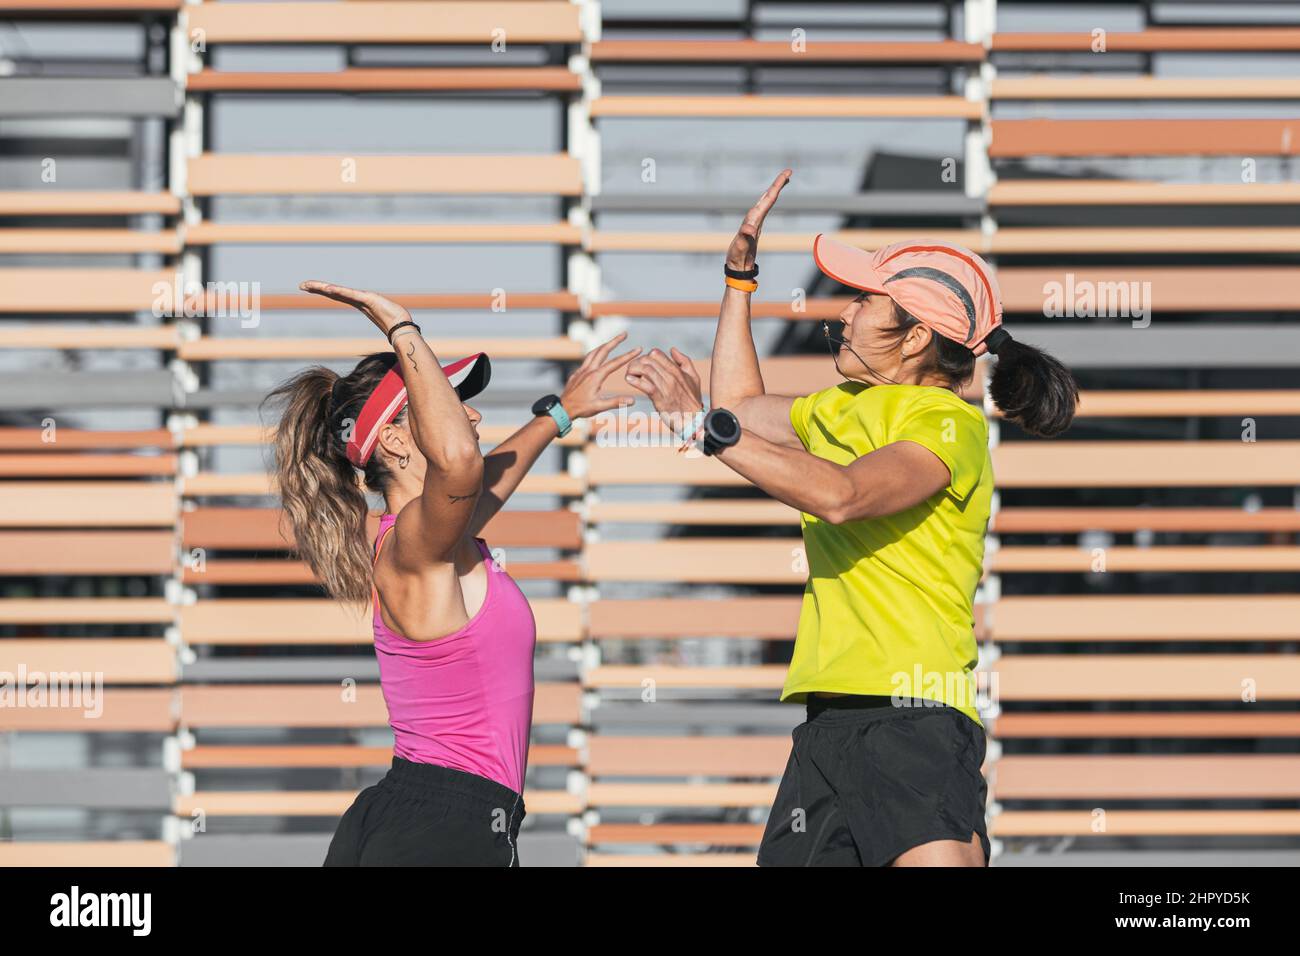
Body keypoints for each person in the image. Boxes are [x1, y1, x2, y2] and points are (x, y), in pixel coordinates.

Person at [624, 170, 1079, 867]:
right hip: (827, 724)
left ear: (918, 335)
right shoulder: (841, 405)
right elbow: (741, 408)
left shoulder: (950, 425)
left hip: (915, 718)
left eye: (866, 300)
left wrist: (707, 430)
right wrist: (739, 281)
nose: (845, 312)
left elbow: (844, 495)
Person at [266, 281, 638, 866]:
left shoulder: (434, 537)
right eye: (446, 400)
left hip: (432, 818)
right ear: (392, 440)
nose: (472, 412)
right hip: (441, 827)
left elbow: (481, 484)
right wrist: (402, 327)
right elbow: (463, 465)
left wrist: (561, 413)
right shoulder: (414, 548)